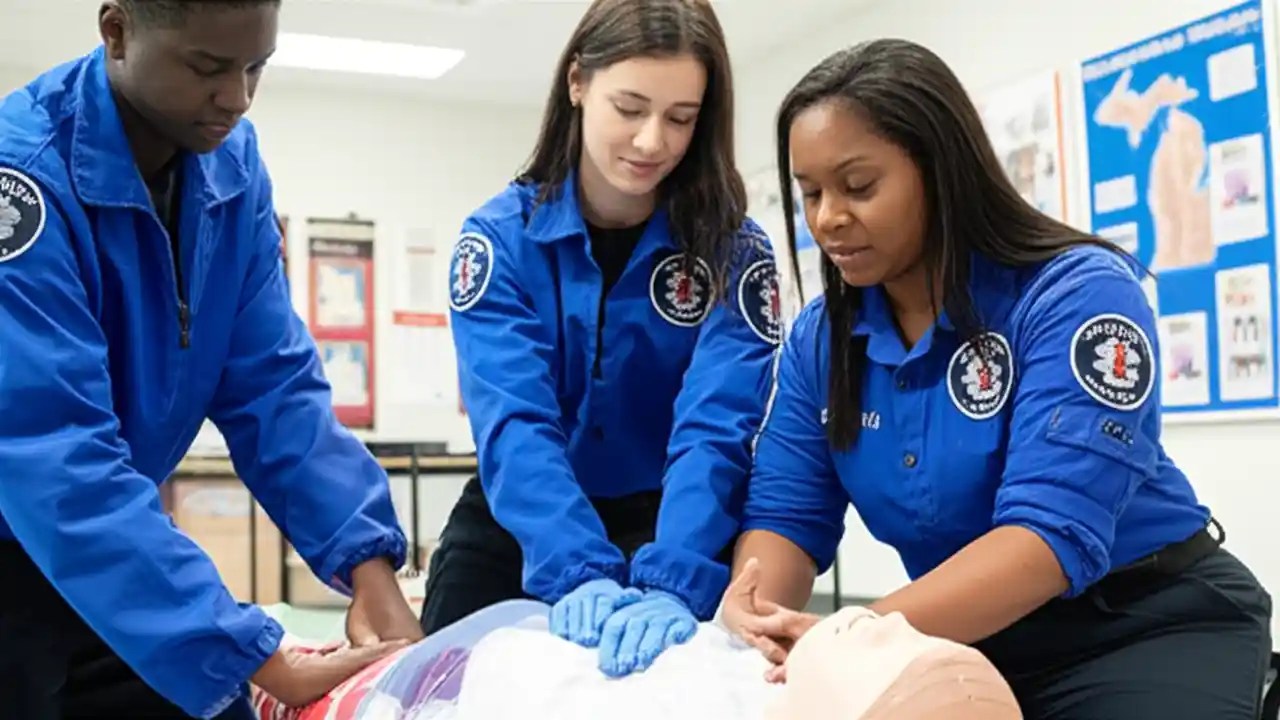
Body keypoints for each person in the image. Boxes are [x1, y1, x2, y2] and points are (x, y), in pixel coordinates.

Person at [721, 38, 1274, 719]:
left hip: (1143, 622)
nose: (826, 217)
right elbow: (786, 514)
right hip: (964, 639)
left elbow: (1046, 540)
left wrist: (853, 637)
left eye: (859, 186)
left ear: (941, 171)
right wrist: (758, 617)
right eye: (810, 193)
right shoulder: (822, 340)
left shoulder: (1076, 294)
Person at [0, 1, 423, 717]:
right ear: (117, 32)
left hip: (114, 553)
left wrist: (367, 564)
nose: (238, 97)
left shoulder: (232, 168)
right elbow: (54, 453)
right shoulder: (21, 182)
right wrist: (254, 655)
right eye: (207, 68)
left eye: (256, 67)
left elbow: (275, 387)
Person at [423, 0, 781, 680]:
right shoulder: (497, 242)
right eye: (630, 108)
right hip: (522, 523)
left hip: (676, 525)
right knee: (441, 691)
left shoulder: (735, 254)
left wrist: (675, 578)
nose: (651, 142)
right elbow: (515, 424)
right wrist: (576, 568)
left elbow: (716, 428)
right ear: (578, 83)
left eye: (680, 118)